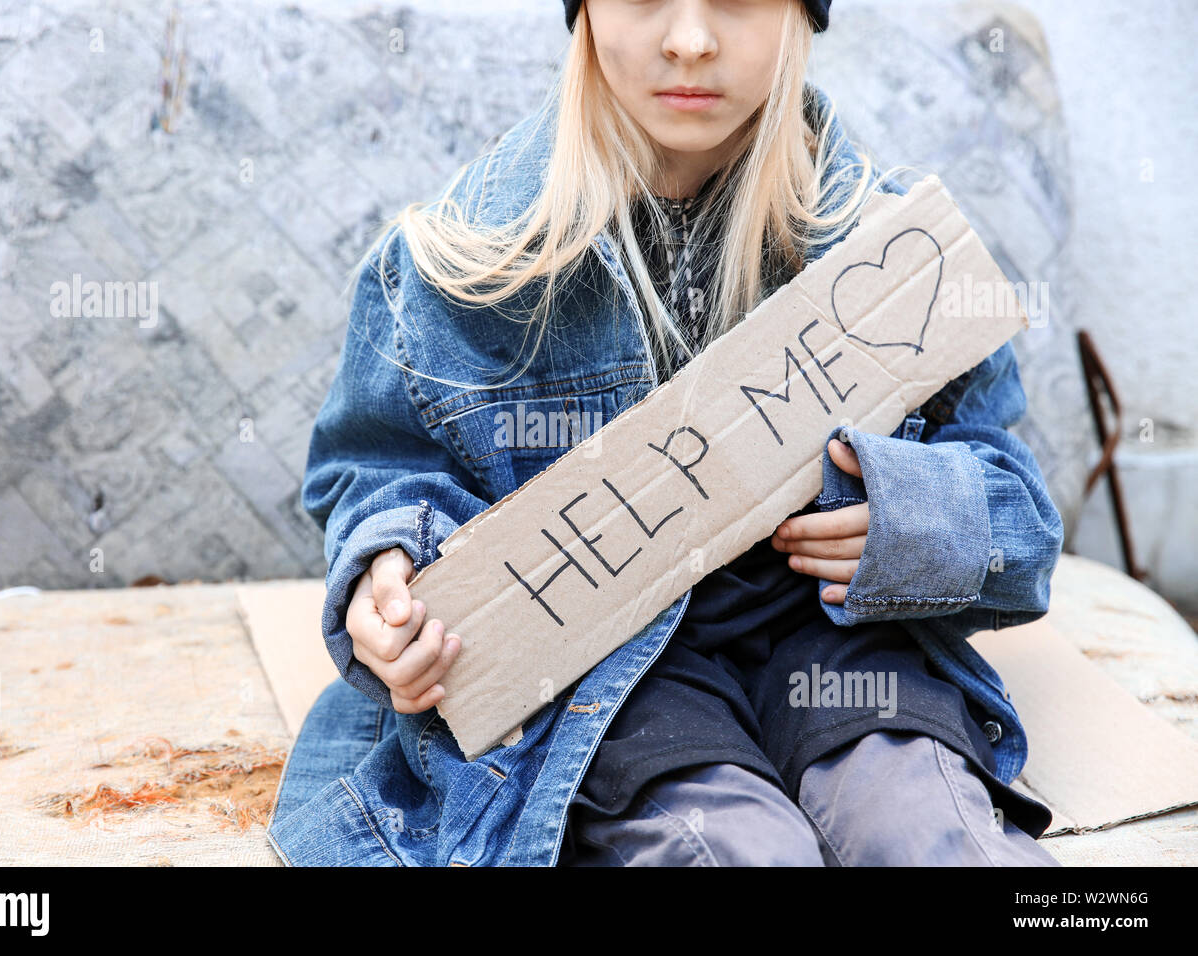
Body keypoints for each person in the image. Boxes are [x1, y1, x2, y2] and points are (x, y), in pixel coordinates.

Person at [266, 0, 1065, 867]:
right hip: (610, 680)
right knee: (736, 851)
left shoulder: (888, 245)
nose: (690, 37)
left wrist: (910, 520)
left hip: (841, 648)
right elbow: (379, 472)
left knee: (925, 832)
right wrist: (388, 578)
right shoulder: (462, 261)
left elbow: (1017, 524)